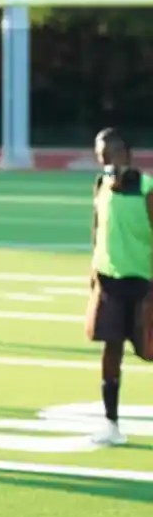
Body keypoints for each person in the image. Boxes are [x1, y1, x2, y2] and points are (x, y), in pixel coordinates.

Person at [87, 128, 153, 446]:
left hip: (142, 282)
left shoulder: (146, 188)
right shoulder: (100, 185)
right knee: (111, 349)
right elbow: (97, 227)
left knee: (148, 350)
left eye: (108, 153)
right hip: (110, 281)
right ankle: (111, 424)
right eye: (101, 154)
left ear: (125, 154)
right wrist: (93, 269)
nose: (104, 159)